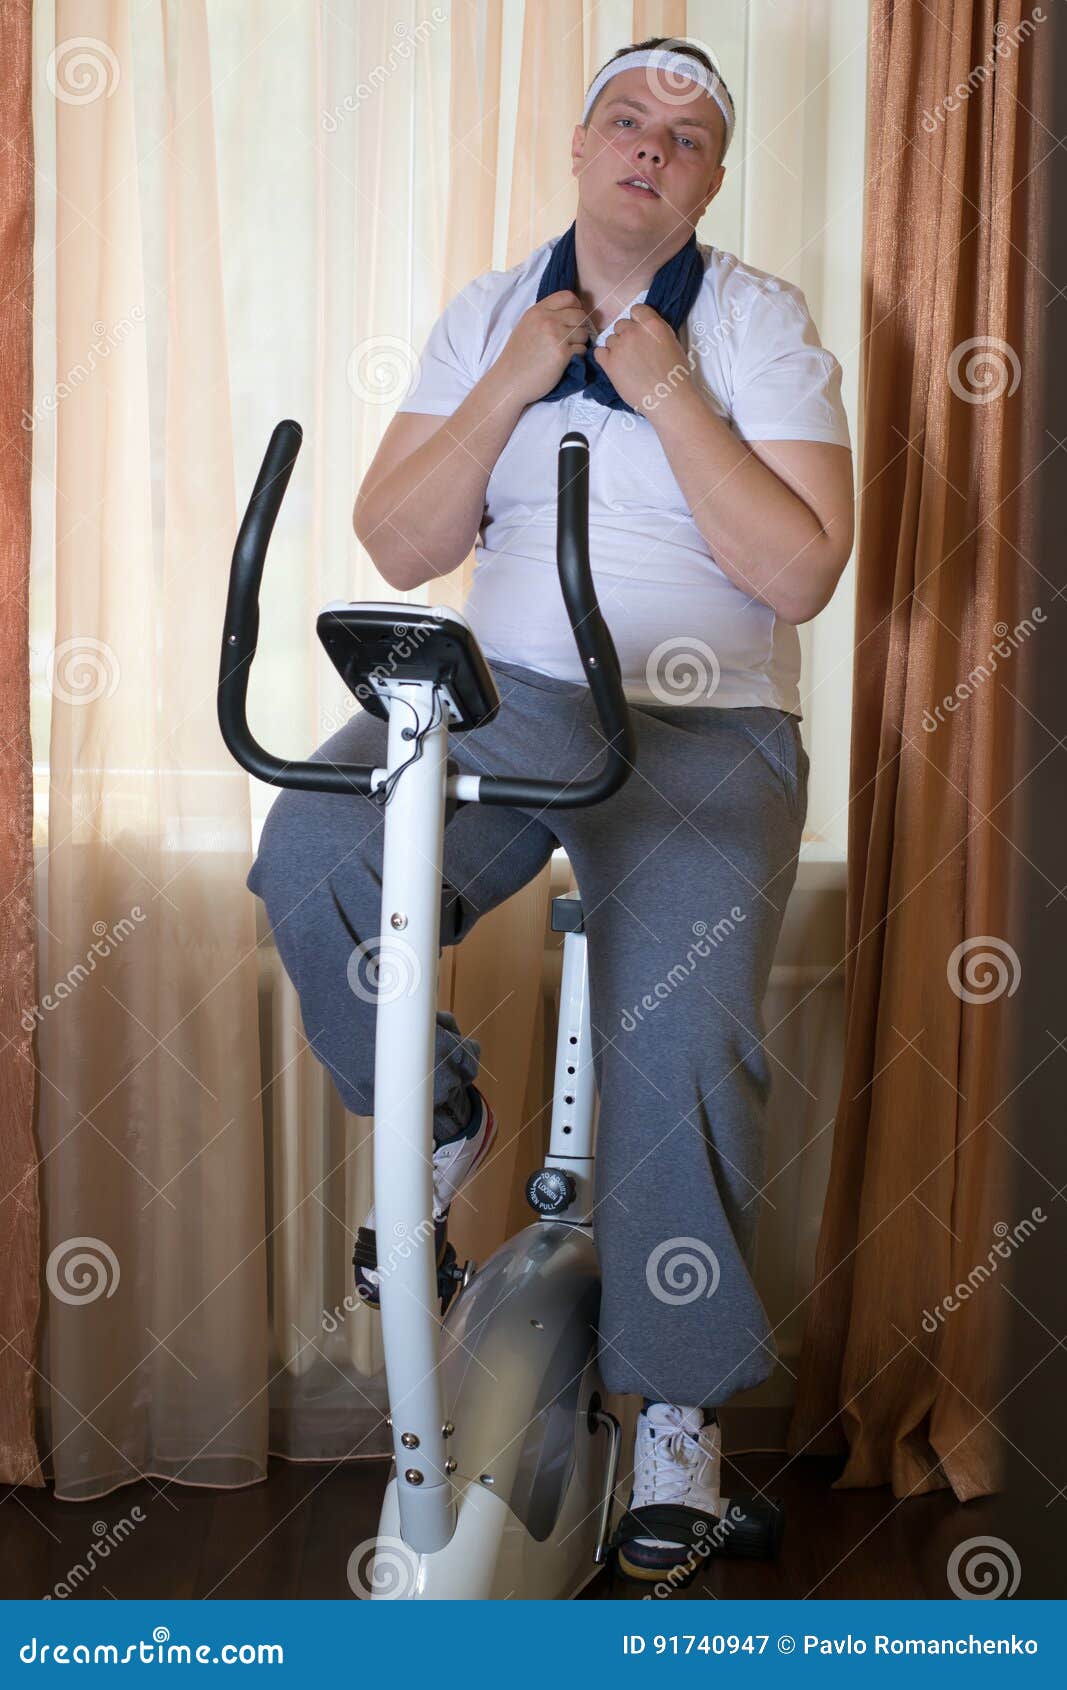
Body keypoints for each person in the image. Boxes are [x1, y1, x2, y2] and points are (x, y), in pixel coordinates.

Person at [247, 37, 854, 1582]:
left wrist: (665, 383)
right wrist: (523, 368)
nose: (654, 147)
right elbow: (397, 537)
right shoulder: (485, 312)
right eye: (630, 121)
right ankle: (443, 1117)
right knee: (314, 849)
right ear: (583, 147)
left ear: (711, 180)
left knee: (688, 1037)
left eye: (690, 136)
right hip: (510, 695)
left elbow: (797, 570)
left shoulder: (764, 321)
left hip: (707, 718)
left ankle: (675, 1417)